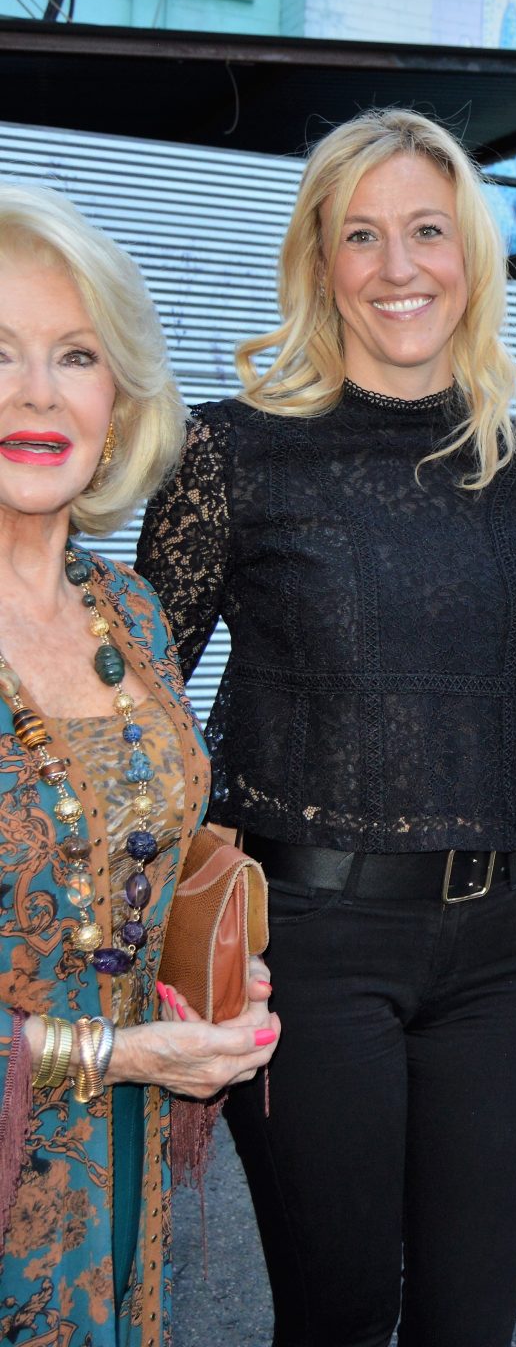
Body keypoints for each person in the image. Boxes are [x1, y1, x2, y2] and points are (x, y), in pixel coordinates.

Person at [135, 109, 516, 1347]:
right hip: (310, 945)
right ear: (320, 261)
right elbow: (139, 710)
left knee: (469, 1323)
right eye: (363, 236)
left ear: (471, 253)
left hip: (504, 943)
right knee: (338, 1316)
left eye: (427, 231)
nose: (398, 268)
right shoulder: (234, 452)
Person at [0, 185, 278, 1346]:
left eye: (75, 355)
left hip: (118, 1159)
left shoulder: (133, 616)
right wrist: (115, 1053)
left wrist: (206, 984)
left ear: (116, 404)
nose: (36, 392)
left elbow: (129, 846)